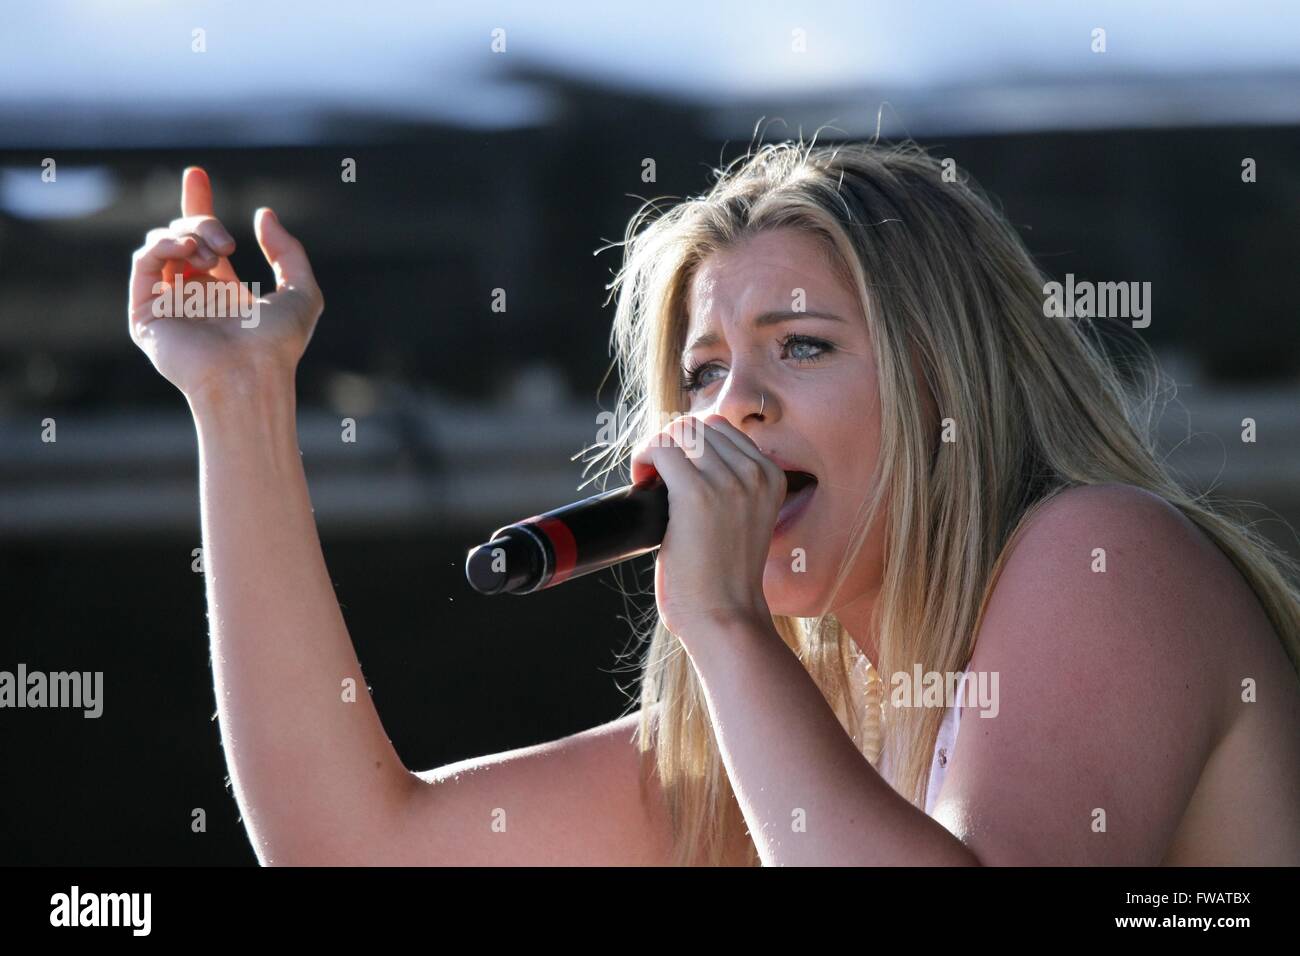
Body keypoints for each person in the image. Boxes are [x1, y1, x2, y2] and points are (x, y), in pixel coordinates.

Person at [127, 139, 1300, 866]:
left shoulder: (1101, 551)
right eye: (699, 372)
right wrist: (236, 403)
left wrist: (730, 631)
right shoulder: (804, 721)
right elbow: (353, 851)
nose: (728, 407)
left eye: (797, 348)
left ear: (947, 378)